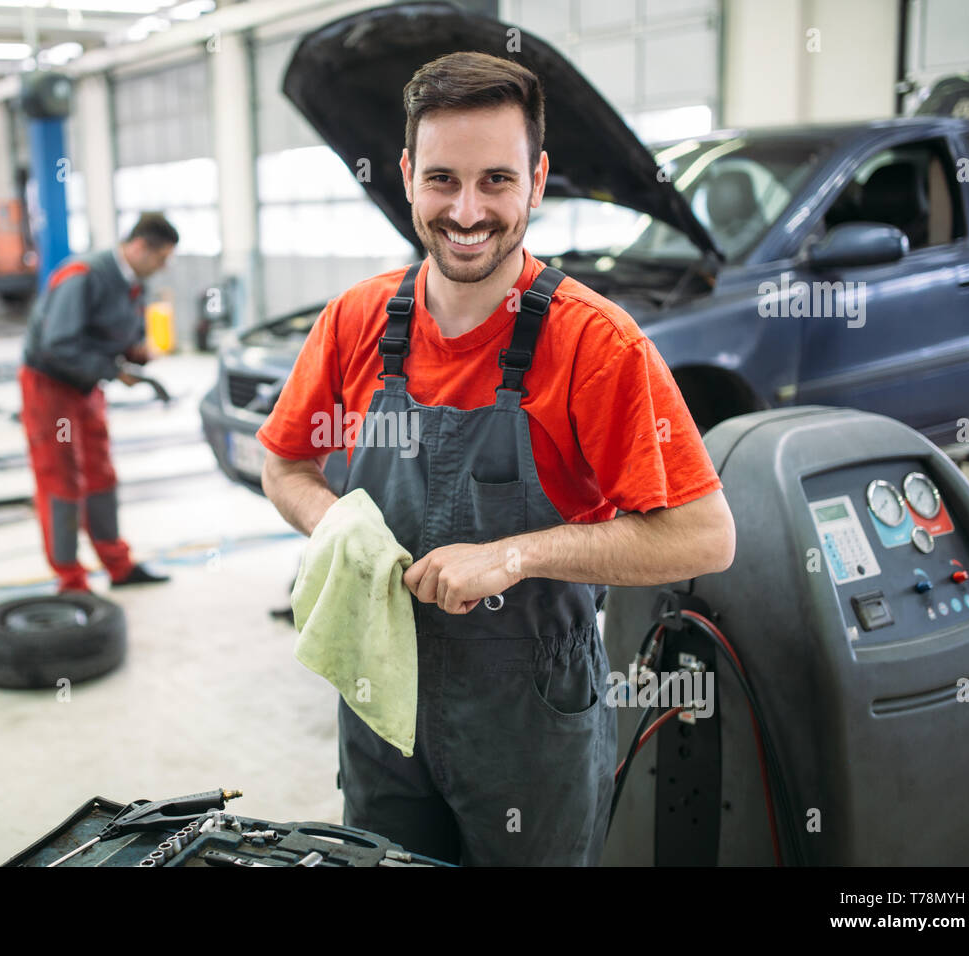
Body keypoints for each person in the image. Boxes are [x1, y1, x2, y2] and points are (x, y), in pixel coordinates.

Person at [256, 52, 736, 866]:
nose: (467, 211)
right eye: (442, 179)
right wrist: (342, 531)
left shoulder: (596, 344)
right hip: (380, 698)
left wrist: (514, 555)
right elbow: (285, 466)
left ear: (537, 181)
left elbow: (703, 535)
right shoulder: (355, 320)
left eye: (496, 181)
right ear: (407, 176)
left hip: (530, 719)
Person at [19, 212, 179, 593]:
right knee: (61, 477)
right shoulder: (82, 276)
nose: (163, 267)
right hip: (51, 388)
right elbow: (57, 345)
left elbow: (115, 329)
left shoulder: (130, 281)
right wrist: (113, 370)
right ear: (140, 247)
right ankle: (70, 578)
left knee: (100, 474)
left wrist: (134, 352)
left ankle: (118, 566)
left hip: (87, 386)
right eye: (161, 259)